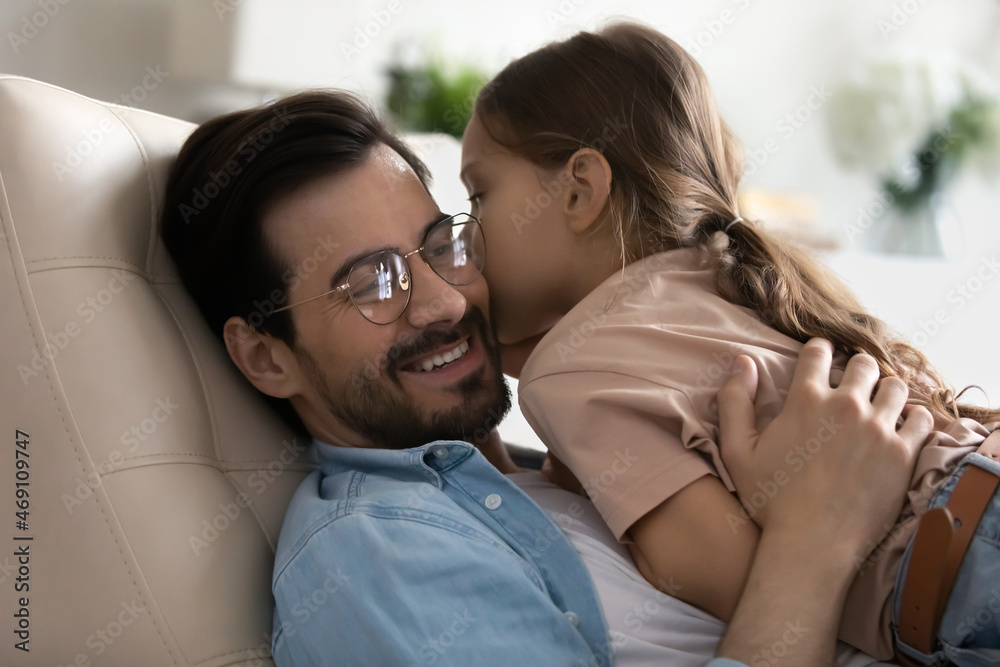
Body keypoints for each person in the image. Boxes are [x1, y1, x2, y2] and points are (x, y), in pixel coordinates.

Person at [160, 90, 930, 666]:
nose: (442, 298)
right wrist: (816, 539)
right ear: (266, 355)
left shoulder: (543, 467)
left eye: (442, 244)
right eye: (372, 282)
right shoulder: (372, 555)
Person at [459, 21, 1000, 664]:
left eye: (479, 194)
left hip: (956, 576)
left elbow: (725, 575)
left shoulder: (562, 373)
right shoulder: (725, 274)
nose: (467, 240)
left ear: (580, 188)